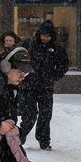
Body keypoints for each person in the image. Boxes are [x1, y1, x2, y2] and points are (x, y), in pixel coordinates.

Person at [18, 21, 69, 150]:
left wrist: (54, 76)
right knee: (29, 115)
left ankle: (44, 140)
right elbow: (17, 57)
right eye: (43, 35)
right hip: (28, 85)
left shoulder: (56, 48)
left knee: (46, 114)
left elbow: (64, 64)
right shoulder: (29, 44)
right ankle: (20, 137)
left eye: (48, 36)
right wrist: (22, 74)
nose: (45, 38)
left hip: (46, 86)